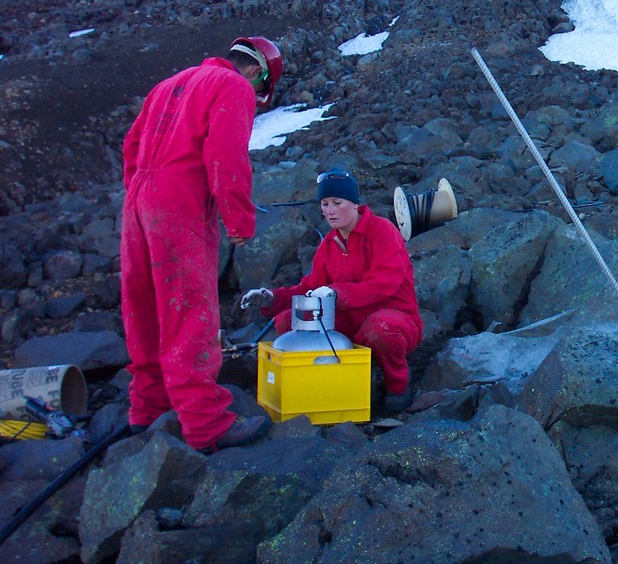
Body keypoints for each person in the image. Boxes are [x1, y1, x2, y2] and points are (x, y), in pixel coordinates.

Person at [120, 36, 283, 453]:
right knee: (189, 308)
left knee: (144, 304)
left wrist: (140, 197)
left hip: (139, 199)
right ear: (255, 71)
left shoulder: (169, 83)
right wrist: (238, 217)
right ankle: (205, 422)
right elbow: (226, 155)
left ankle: (147, 408)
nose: (256, 96)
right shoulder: (232, 87)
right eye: (260, 90)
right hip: (180, 203)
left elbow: (131, 146)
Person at [241, 169, 422, 412]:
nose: (330, 210)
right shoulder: (328, 244)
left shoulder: (382, 231)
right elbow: (308, 288)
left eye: (337, 203)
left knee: (380, 327)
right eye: (325, 204)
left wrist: (337, 294)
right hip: (350, 323)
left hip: (396, 318)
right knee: (288, 322)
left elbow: (383, 285)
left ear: (354, 204)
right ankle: (322, 385)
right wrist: (270, 298)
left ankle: (397, 385)